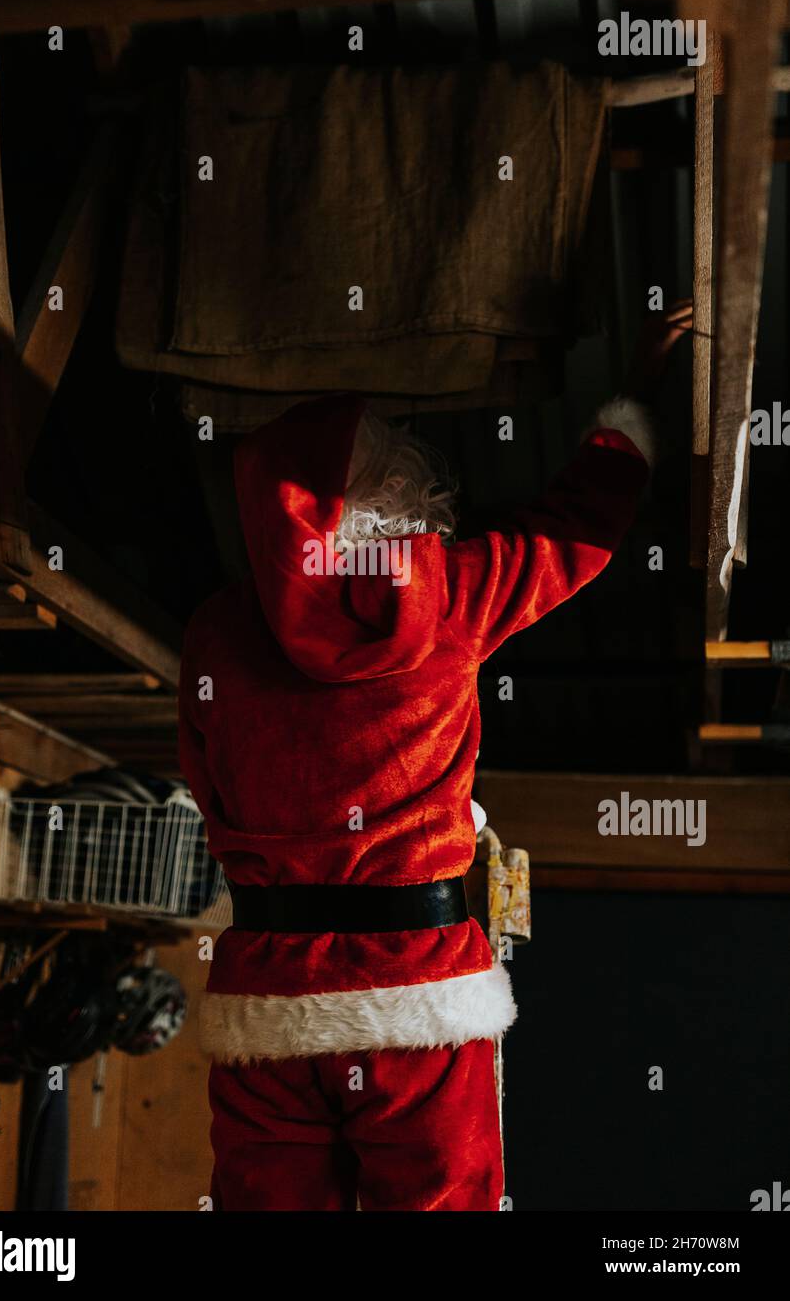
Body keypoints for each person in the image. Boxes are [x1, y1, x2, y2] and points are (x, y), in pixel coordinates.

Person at [178, 305, 691, 1211]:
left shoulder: (216, 634)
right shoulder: (445, 599)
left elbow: (207, 785)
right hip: (416, 994)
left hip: (263, 993)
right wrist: (637, 393)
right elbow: (579, 530)